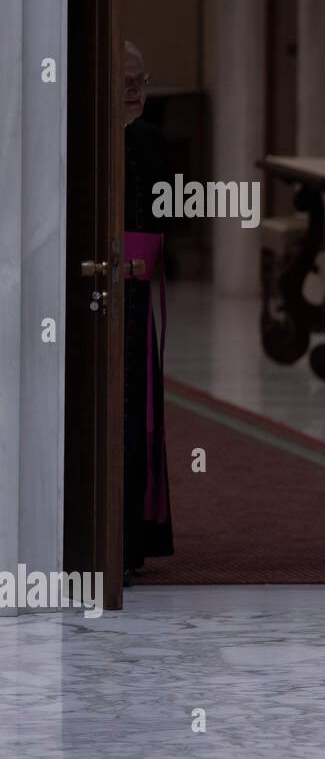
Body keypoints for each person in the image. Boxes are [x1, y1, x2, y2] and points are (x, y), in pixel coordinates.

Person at [122, 41, 174, 580]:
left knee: (139, 412)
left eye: (140, 79)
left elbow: (170, 215)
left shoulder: (153, 142)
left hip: (138, 292)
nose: (134, 91)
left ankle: (133, 535)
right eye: (122, 81)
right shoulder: (81, 135)